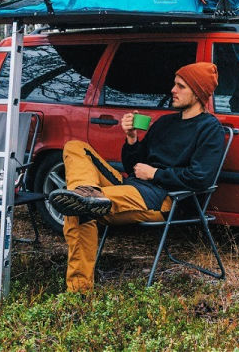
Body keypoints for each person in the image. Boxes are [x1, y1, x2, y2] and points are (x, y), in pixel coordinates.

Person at [48, 62, 225, 292]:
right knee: (75, 147)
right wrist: (131, 139)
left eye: (180, 86)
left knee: (78, 209)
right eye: (174, 84)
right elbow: (133, 165)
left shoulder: (209, 129)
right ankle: (87, 193)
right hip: (131, 184)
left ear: (198, 93)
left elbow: (201, 178)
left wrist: (155, 174)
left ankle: (79, 291)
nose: (173, 89)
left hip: (161, 197)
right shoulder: (165, 123)